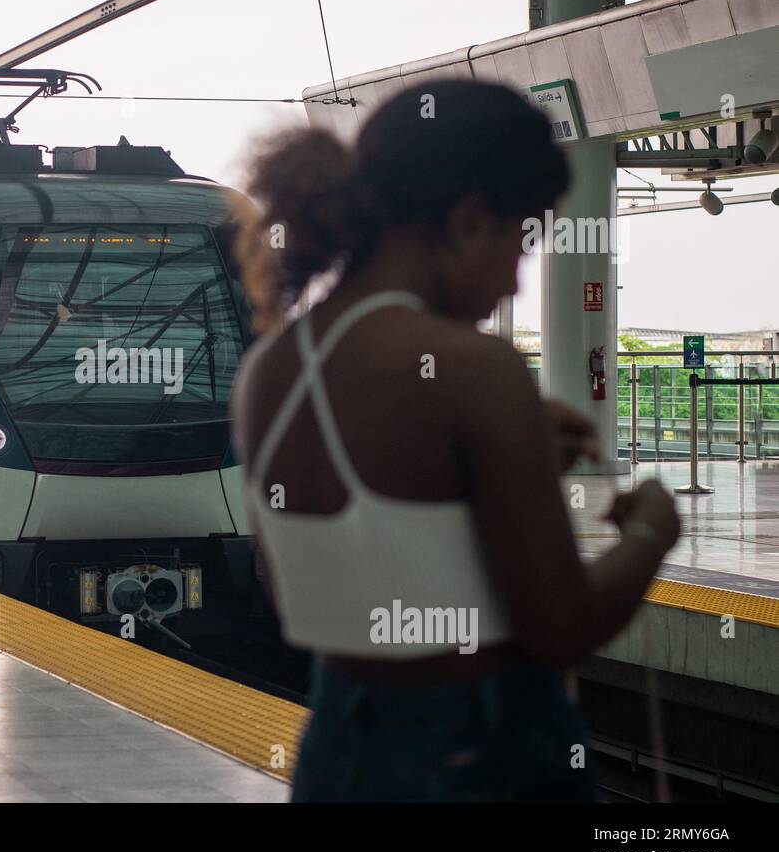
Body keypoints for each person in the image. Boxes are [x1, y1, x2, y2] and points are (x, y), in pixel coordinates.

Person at [231, 80, 681, 802]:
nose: (514, 281)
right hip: (483, 754)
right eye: (522, 241)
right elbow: (562, 629)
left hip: (341, 743)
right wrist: (653, 531)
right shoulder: (476, 369)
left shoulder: (270, 369)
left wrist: (511, 460)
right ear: (469, 221)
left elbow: (317, 586)